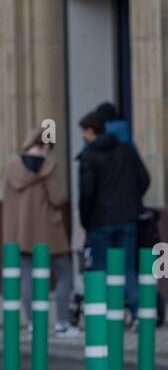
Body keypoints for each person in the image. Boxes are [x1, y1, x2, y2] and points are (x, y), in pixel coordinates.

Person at [77, 110, 150, 323]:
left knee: (101, 267)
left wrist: (85, 219)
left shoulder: (89, 155)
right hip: (128, 218)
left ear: (91, 131)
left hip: (101, 220)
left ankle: (107, 315)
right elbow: (144, 179)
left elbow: (86, 192)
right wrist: (132, 201)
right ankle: (138, 314)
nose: (83, 136)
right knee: (127, 267)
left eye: (84, 131)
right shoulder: (126, 150)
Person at [2, 127, 76, 338]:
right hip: (48, 231)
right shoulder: (49, 168)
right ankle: (62, 323)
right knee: (64, 273)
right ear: (44, 145)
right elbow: (58, 198)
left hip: (19, 232)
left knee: (26, 277)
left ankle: (35, 324)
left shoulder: (12, 168)